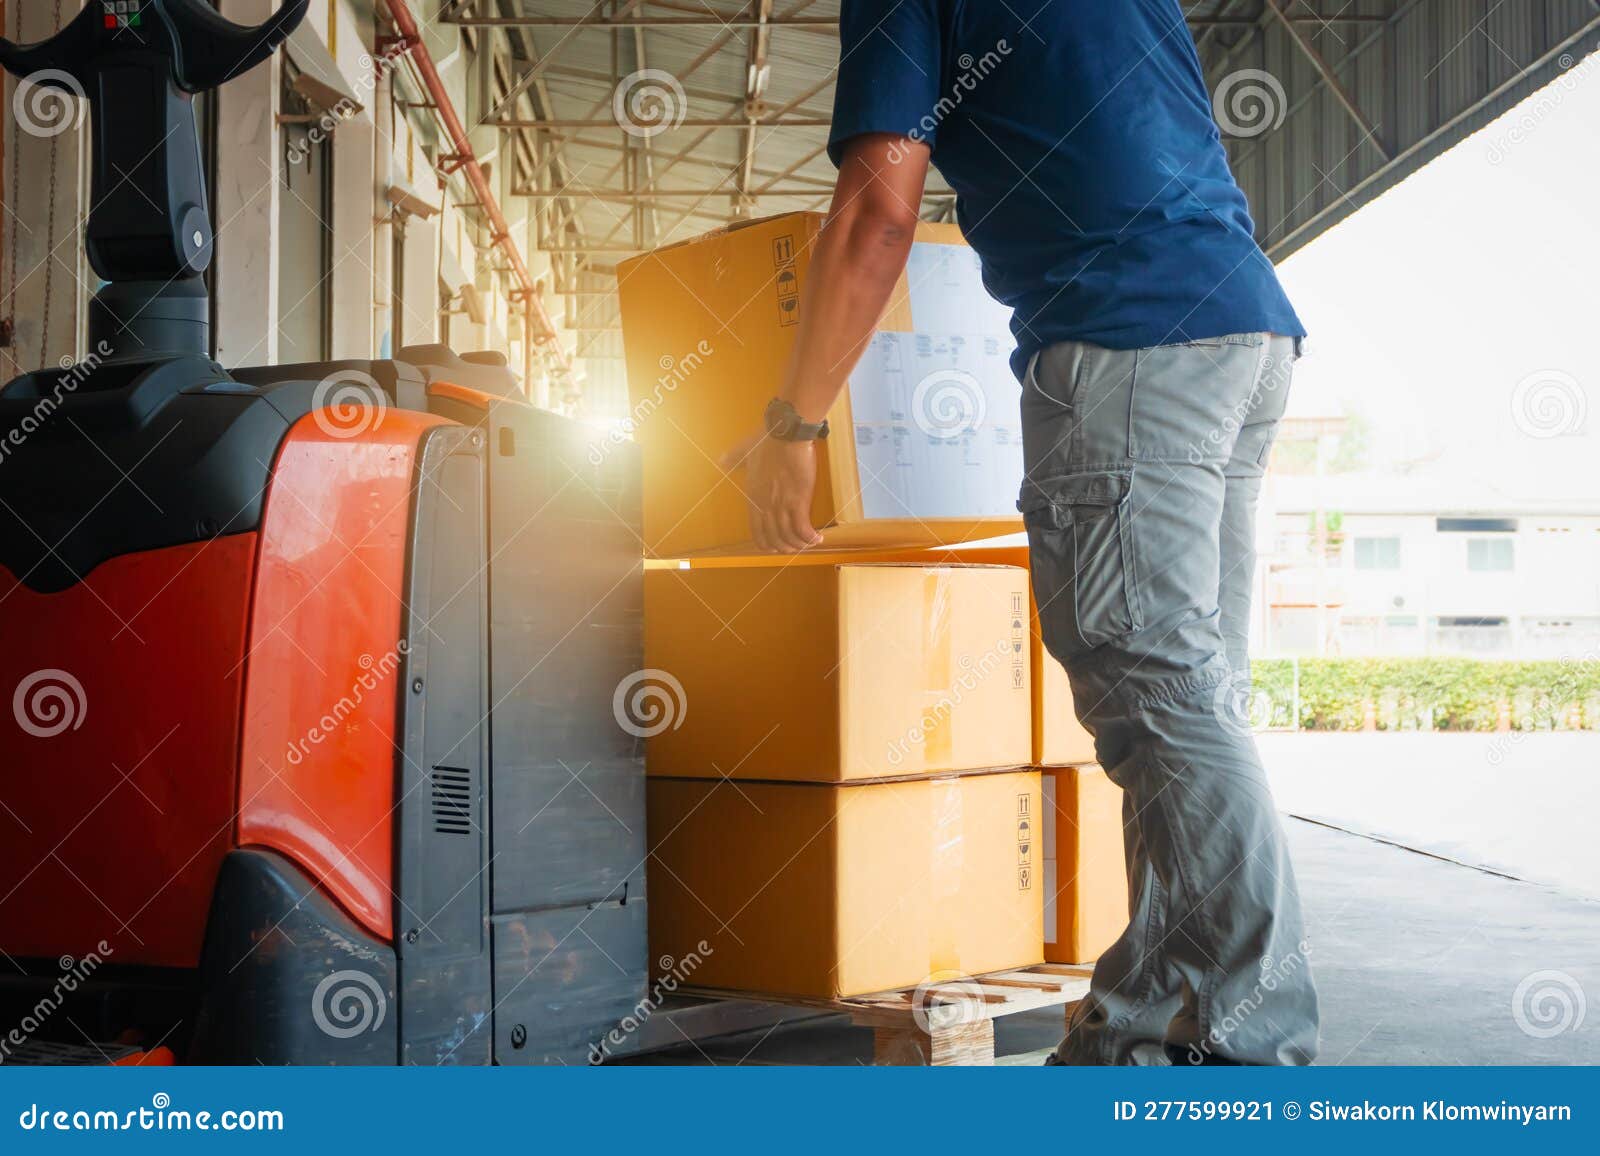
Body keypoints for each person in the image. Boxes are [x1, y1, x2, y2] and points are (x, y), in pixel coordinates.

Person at [726, 0, 1319, 1065]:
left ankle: (1252, 1052)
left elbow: (878, 216)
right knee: (1182, 706)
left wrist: (795, 423)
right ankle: (1139, 1033)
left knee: (1160, 696)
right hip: (1241, 331)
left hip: (1127, 343)